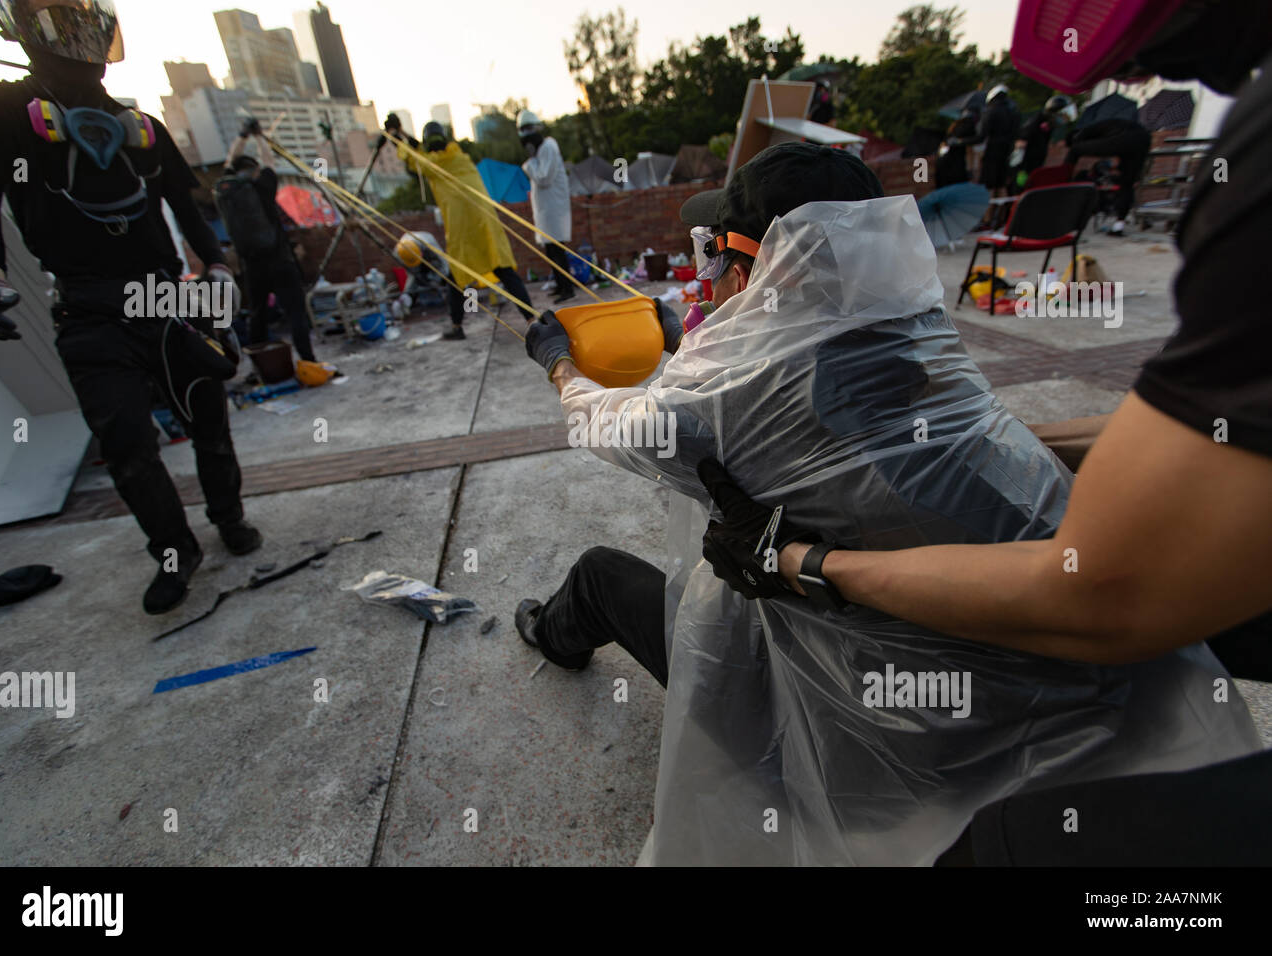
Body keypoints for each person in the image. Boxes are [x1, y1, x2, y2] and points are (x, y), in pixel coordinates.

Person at [516, 141, 1256, 865]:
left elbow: (607, 422)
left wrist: (557, 361)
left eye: (720, 257)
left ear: (755, 264)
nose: (710, 274)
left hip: (868, 736)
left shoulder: (720, 406)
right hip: (1042, 722)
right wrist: (690, 339)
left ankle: (553, 634)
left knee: (601, 574)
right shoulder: (923, 350)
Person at [695, 0, 1272, 865]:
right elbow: (1201, 434)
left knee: (1001, 849)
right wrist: (994, 435)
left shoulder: (1258, 168)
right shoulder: (912, 362)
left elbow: (1107, 595)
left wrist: (801, 565)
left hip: (1058, 679)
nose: (1139, 77)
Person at [0, 1, 261, 615]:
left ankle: (228, 517)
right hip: (88, 305)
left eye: (86, 19)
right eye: (63, 20)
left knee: (209, 419)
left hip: (168, 294)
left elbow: (187, 208)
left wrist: (216, 267)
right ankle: (175, 552)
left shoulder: (143, 126)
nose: (81, 34)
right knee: (128, 444)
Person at [386, 116, 535, 339]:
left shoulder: (434, 165)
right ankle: (532, 320)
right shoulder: (459, 157)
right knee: (503, 270)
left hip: (463, 231)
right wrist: (404, 136)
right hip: (485, 225)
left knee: (455, 277)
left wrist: (396, 140)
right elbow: (423, 155)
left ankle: (457, 327)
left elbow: (416, 160)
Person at [220, 119, 318, 362]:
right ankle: (308, 360)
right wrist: (260, 137)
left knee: (258, 314)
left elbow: (230, 161)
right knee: (296, 312)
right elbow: (270, 163)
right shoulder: (262, 185)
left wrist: (242, 136)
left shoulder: (227, 191)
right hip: (279, 259)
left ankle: (262, 367)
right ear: (254, 170)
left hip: (251, 264)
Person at [517, 110, 574, 304]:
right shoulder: (541, 150)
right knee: (550, 250)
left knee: (557, 249)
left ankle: (567, 289)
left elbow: (544, 178)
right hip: (545, 210)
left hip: (554, 209)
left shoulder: (548, 146)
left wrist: (530, 162)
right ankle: (560, 285)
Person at [1065, 115, 1153, 235]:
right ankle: (1119, 226)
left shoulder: (1084, 132)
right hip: (1144, 139)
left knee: (1075, 150)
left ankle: (1062, 184)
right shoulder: (1111, 124)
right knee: (1127, 183)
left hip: (1126, 138)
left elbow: (1105, 145)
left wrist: (1074, 148)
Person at [952, 84, 1020, 202]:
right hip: (1007, 152)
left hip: (993, 153)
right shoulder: (1012, 111)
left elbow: (981, 137)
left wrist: (960, 142)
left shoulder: (991, 111)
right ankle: (1003, 215)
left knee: (988, 186)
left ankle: (987, 217)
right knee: (1001, 185)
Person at [1012, 94, 1076, 186]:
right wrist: (1020, 171)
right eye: (1061, 115)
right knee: (1020, 188)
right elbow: (1020, 146)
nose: (1063, 119)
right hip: (1025, 169)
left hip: (1036, 166)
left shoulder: (1048, 125)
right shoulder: (1034, 124)